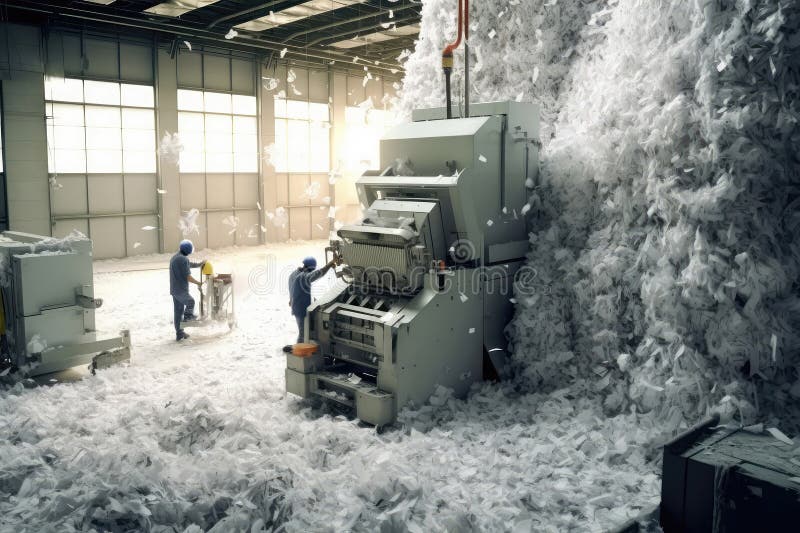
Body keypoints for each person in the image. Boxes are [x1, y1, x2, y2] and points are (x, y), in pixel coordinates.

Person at [283, 256, 338, 352]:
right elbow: (318, 274)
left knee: (302, 331)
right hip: (301, 308)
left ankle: (298, 347)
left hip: (296, 306)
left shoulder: (295, 274)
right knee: (303, 333)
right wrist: (329, 264)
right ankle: (298, 351)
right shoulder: (305, 277)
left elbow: (292, 288)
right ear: (311, 268)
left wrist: (291, 299)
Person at [170, 239, 204, 341]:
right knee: (190, 301)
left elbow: (188, 264)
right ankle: (188, 317)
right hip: (180, 290)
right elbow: (188, 277)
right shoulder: (183, 259)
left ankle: (179, 333)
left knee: (178, 312)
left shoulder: (176, 257)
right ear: (189, 250)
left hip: (174, 290)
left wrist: (200, 264)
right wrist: (199, 283)